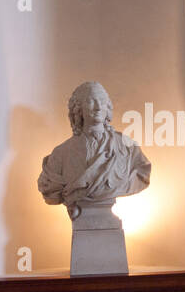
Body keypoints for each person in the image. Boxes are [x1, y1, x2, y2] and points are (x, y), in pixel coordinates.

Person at [38, 82, 151, 220]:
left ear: (107, 107)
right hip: (82, 220)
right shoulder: (61, 154)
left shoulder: (127, 148)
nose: (98, 107)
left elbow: (141, 175)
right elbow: (50, 190)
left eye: (102, 102)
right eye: (91, 101)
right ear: (79, 108)